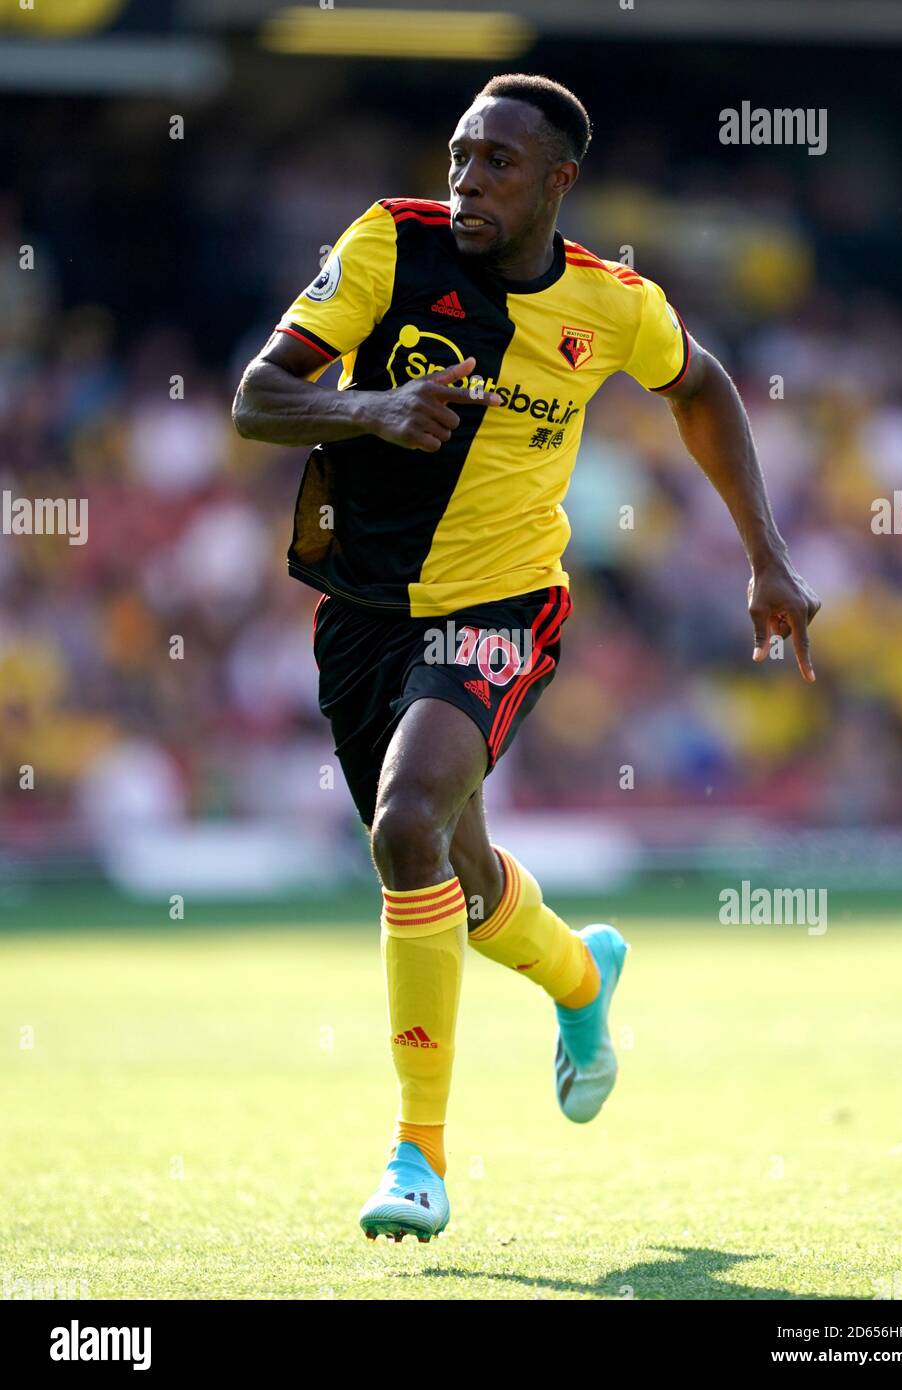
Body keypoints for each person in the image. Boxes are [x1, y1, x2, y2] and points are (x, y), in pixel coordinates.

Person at [233, 73, 820, 1242]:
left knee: (405, 827)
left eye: (497, 162)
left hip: (504, 604)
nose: (467, 180)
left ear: (559, 181)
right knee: (453, 872)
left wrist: (765, 556)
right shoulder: (386, 246)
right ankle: (577, 975)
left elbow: (698, 386)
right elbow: (259, 397)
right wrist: (373, 410)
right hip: (360, 613)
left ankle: (418, 1153)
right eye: (458, 155)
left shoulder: (611, 304)